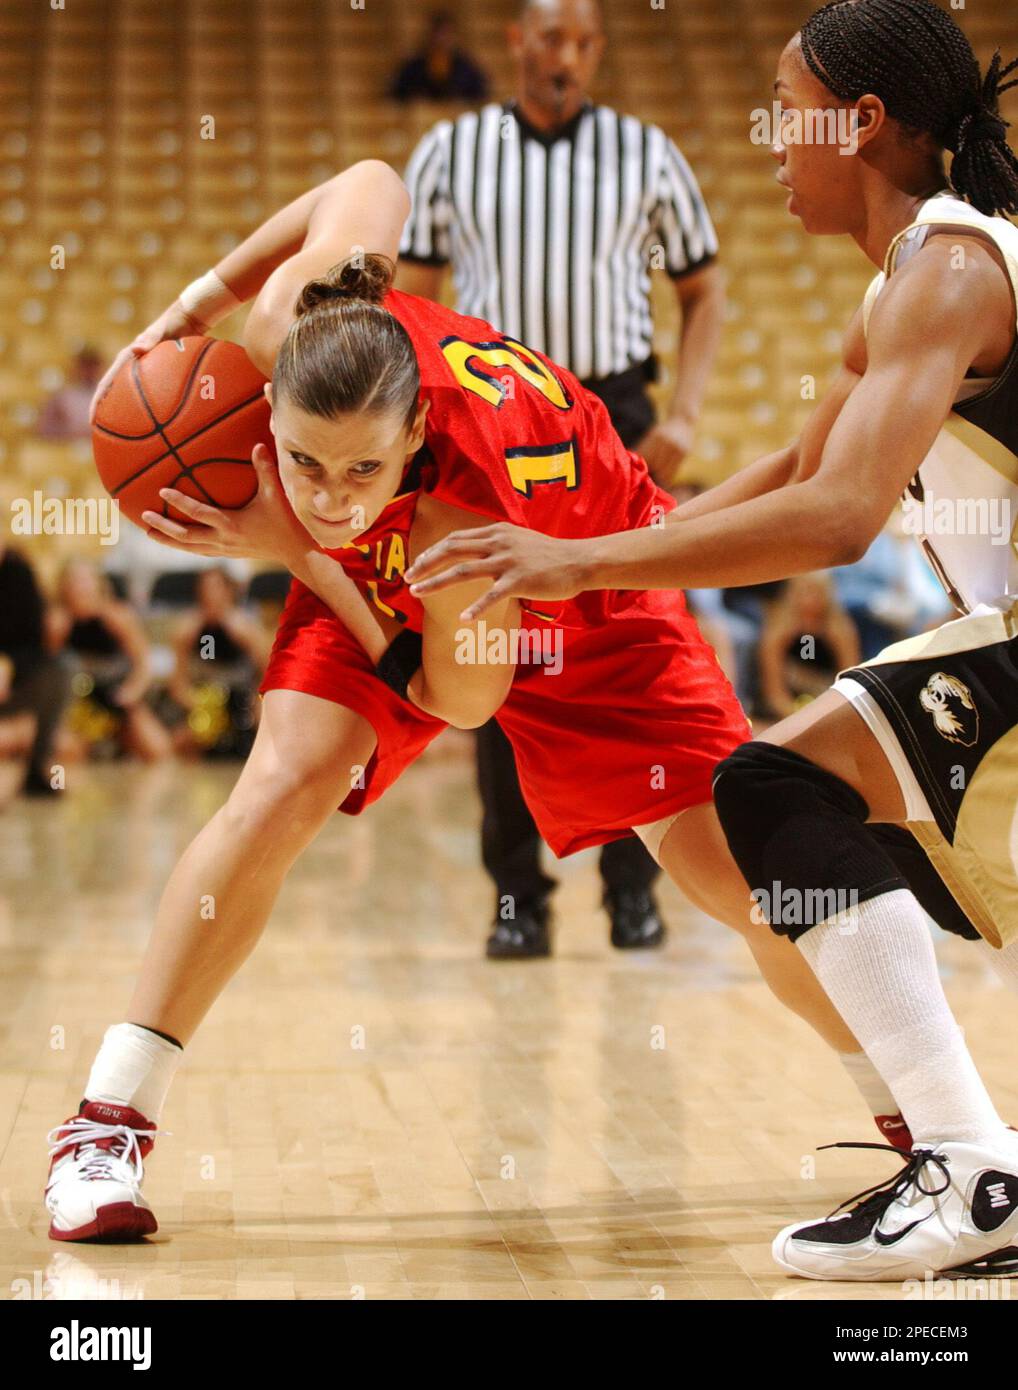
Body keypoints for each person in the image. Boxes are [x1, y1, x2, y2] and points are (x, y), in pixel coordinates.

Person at [42, 156, 802, 1245]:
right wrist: (179, 317)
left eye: (356, 473)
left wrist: (299, 550)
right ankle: (105, 1124)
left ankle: (920, 1108)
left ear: (409, 441)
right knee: (282, 782)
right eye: (300, 462)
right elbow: (367, 174)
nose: (330, 497)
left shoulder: (457, 516)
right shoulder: (288, 326)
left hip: (582, 585)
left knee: (728, 869)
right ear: (270, 407)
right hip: (395, 566)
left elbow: (459, 699)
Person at [405, 0, 1018, 1281]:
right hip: (998, 632)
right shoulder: (899, 290)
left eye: (785, 110)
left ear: (860, 123)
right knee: (797, 796)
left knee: (773, 782)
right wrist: (611, 558)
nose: (769, 143)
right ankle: (965, 1156)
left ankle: (969, 1165)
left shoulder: (954, 269)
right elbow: (795, 470)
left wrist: (583, 559)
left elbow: (840, 519)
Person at [397, 0, 726, 956]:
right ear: (516, 43)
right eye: (551, 40)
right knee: (497, 656)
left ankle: (634, 888)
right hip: (495, 424)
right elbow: (412, 309)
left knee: (621, 644)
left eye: (584, 43)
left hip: (614, 420)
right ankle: (519, 900)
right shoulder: (451, 152)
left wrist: (687, 413)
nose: (567, 59)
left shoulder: (646, 151)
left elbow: (702, 293)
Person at [47, 559, 171, 763]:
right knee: (65, 751)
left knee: (157, 750)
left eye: (87, 580)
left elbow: (143, 664)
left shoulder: (118, 617)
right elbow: (47, 671)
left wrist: (131, 692)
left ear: (99, 584)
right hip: (76, 704)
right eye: (75, 581)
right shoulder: (57, 622)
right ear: (63, 587)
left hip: (116, 697)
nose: (82, 587)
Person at [165, 567, 267, 759]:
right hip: (205, 701)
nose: (211, 594)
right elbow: (177, 682)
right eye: (206, 589)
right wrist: (195, 704)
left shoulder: (245, 628)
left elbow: (266, 671)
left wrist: (256, 703)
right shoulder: (188, 629)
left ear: (229, 591)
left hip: (241, 701)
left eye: (216, 588)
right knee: (176, 745)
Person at [0, 541, 74, 796]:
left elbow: (35, 643)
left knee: (63, 667)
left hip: (14, 681)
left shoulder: (19, 573)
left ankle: (38, 767)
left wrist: (9, 664)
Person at [756, 572, 859, 721]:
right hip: (783, 715)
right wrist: (799, 717)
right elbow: (774, 694)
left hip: (827, 711)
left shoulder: (840, 631)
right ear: (792, 595)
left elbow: (850, 685)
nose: (810, 600)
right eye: (804, 592)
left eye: (816, 593)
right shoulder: (778, 632)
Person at [389, 11, 489, 105]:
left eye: (447, 34)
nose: (442, 39)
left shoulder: (465, 67)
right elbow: (397, 94)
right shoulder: (415, 66)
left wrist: (462, 102)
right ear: (430, 36)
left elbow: (481, 94)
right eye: (439, 34)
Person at [36, 346, 104, 441]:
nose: (89, 371)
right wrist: (68, 431)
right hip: (69, 448)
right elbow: (43, 430)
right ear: (77, 368)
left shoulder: (109, 395)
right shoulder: (61, 397)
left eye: (92, 366)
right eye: (85, 366)